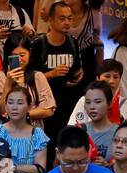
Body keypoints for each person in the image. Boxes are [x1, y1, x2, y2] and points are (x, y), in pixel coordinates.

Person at [29, 1, 85, 143]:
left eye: (69, 18)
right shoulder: (38, 44)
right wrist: (51, 74)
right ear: (51, 20)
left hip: (69, 106)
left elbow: (78, 68)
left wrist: (79, 76)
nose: (67, 22)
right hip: (46, 109)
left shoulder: (73, 42)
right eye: (62, 18)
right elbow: (29, 78)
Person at [0, 31, 55, 125]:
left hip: (33, 132)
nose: (19, 59)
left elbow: (49, 110)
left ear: (29, 53)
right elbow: (3, 111)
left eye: (22, 55)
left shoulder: (38, 77)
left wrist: (24, 115)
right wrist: (8, 83)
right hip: (7, 133)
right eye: (14, 56)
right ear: (7, 56)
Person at [0, 86, 50, 173]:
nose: (14, 107)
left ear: (29, 107)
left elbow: (40, 169)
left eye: (20, 103)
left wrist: (13, 168)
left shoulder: (37, 134)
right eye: (10, 103)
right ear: (6, 106)